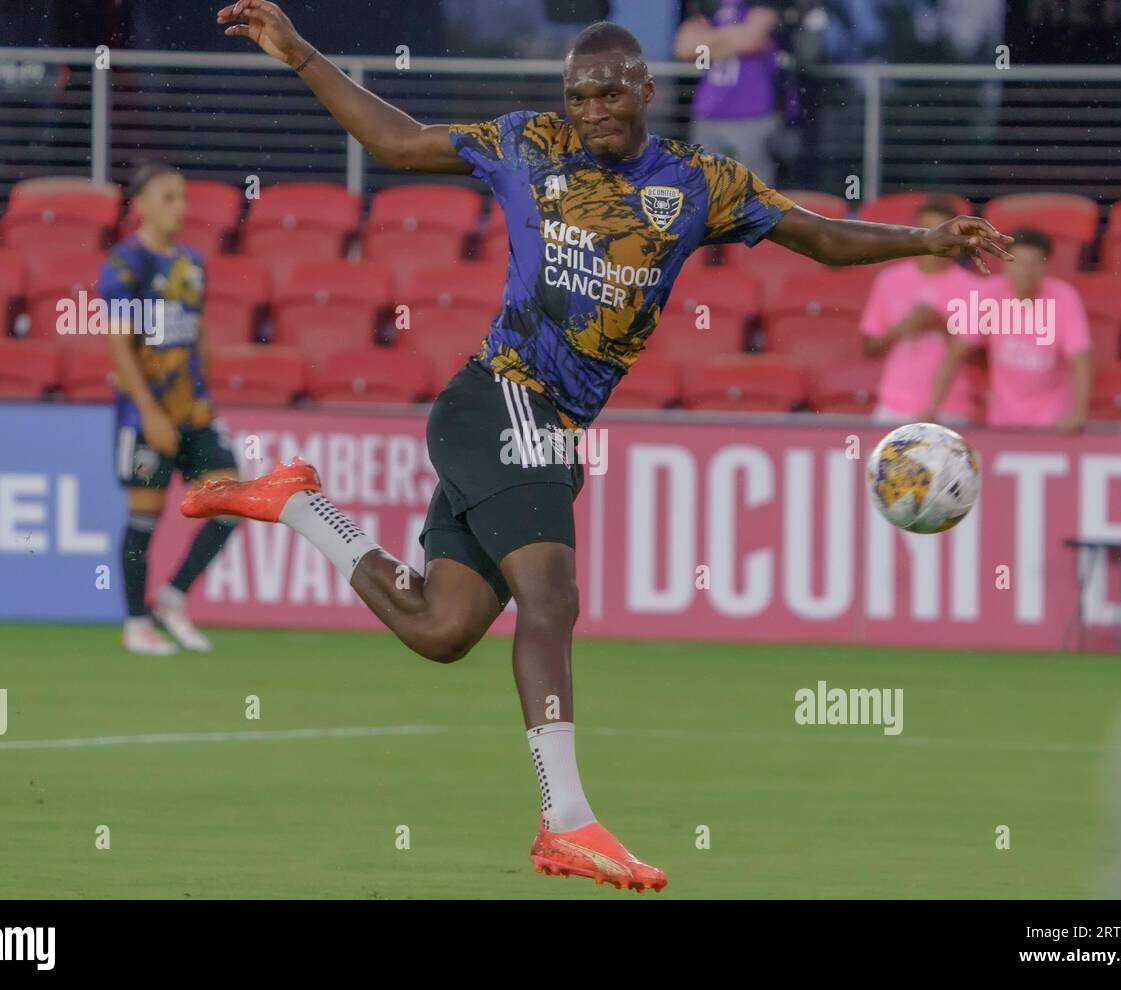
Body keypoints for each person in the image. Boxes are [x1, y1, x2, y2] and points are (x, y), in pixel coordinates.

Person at [187, 0, 1012, 891]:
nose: (591, 110)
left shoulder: (701, 183)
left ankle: (302, 507)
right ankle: (568, 823)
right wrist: (302, 52)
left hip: (553, 426)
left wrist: (927, 237)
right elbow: (398, 143)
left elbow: (817, 236)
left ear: (647, 89)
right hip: (499, 397)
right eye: (579, 95)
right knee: (553, 596)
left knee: (441, 629)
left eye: (609, 93)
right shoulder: (525, 142)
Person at [101, 163, 240, 655]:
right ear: (140, 205)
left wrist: (204, 391)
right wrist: (152, 413)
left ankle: (173, 597)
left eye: (182, 196)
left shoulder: (192, 263)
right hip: (145, 416)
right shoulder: (125, 265)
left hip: (192, 408)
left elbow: (196, 330)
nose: (179, 207)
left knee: (231, 500)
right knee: (145, 517)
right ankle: (136, 623)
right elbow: (119, 348)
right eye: (167, 197)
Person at [922, 227, 1090, 431]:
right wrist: (932, 407)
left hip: (1051, 423)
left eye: (1033, 263)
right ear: (1005, 264)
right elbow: (956, 352)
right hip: (1002, 423)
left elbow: (1080, 359)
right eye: (1017, 262)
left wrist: (1078, 414)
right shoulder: (989, 295)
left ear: (1046, 266)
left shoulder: (1065, 298)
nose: (1025, 271)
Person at [860, 195, 981, 425]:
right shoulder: (890, 280)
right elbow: (869, 347)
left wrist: (941, 325)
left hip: (951, 409)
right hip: (894, 405)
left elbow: (979, 359)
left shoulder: (973, 288)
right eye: (927, 230)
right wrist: (900, 329)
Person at [674, 0, 784, 185]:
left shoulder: (761, 4)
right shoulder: (708, 4)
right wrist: (735, 38)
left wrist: (707, 41)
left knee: (754, 195)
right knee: (705, 191)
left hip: (752, 112)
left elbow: (751, 39)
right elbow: (683, 47)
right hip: (708, 111)